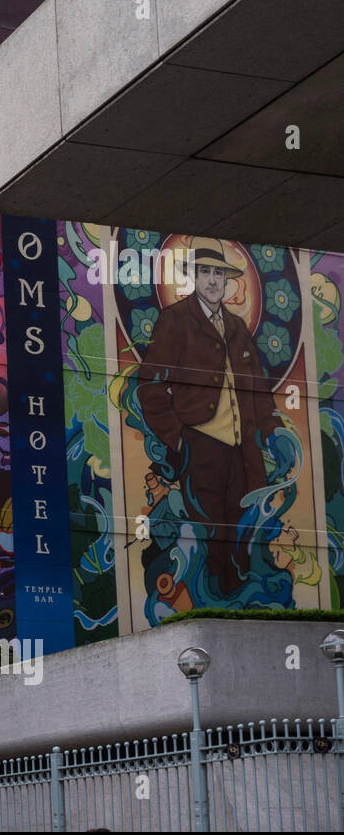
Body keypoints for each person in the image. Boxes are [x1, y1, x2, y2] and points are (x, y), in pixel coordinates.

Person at [137, 237, 279, 595]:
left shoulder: (237, 327)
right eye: (205, 273)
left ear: (227, 280)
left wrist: (276, 436)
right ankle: (214, 599)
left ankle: (240, 603)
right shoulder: (174, 320)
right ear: (193, 278)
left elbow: (259, 393)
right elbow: (150, 387)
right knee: (210, 535)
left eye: (219, 273)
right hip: (201, 449)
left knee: (244, 534)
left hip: (244, 453)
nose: (213, 280)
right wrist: (180, 438)